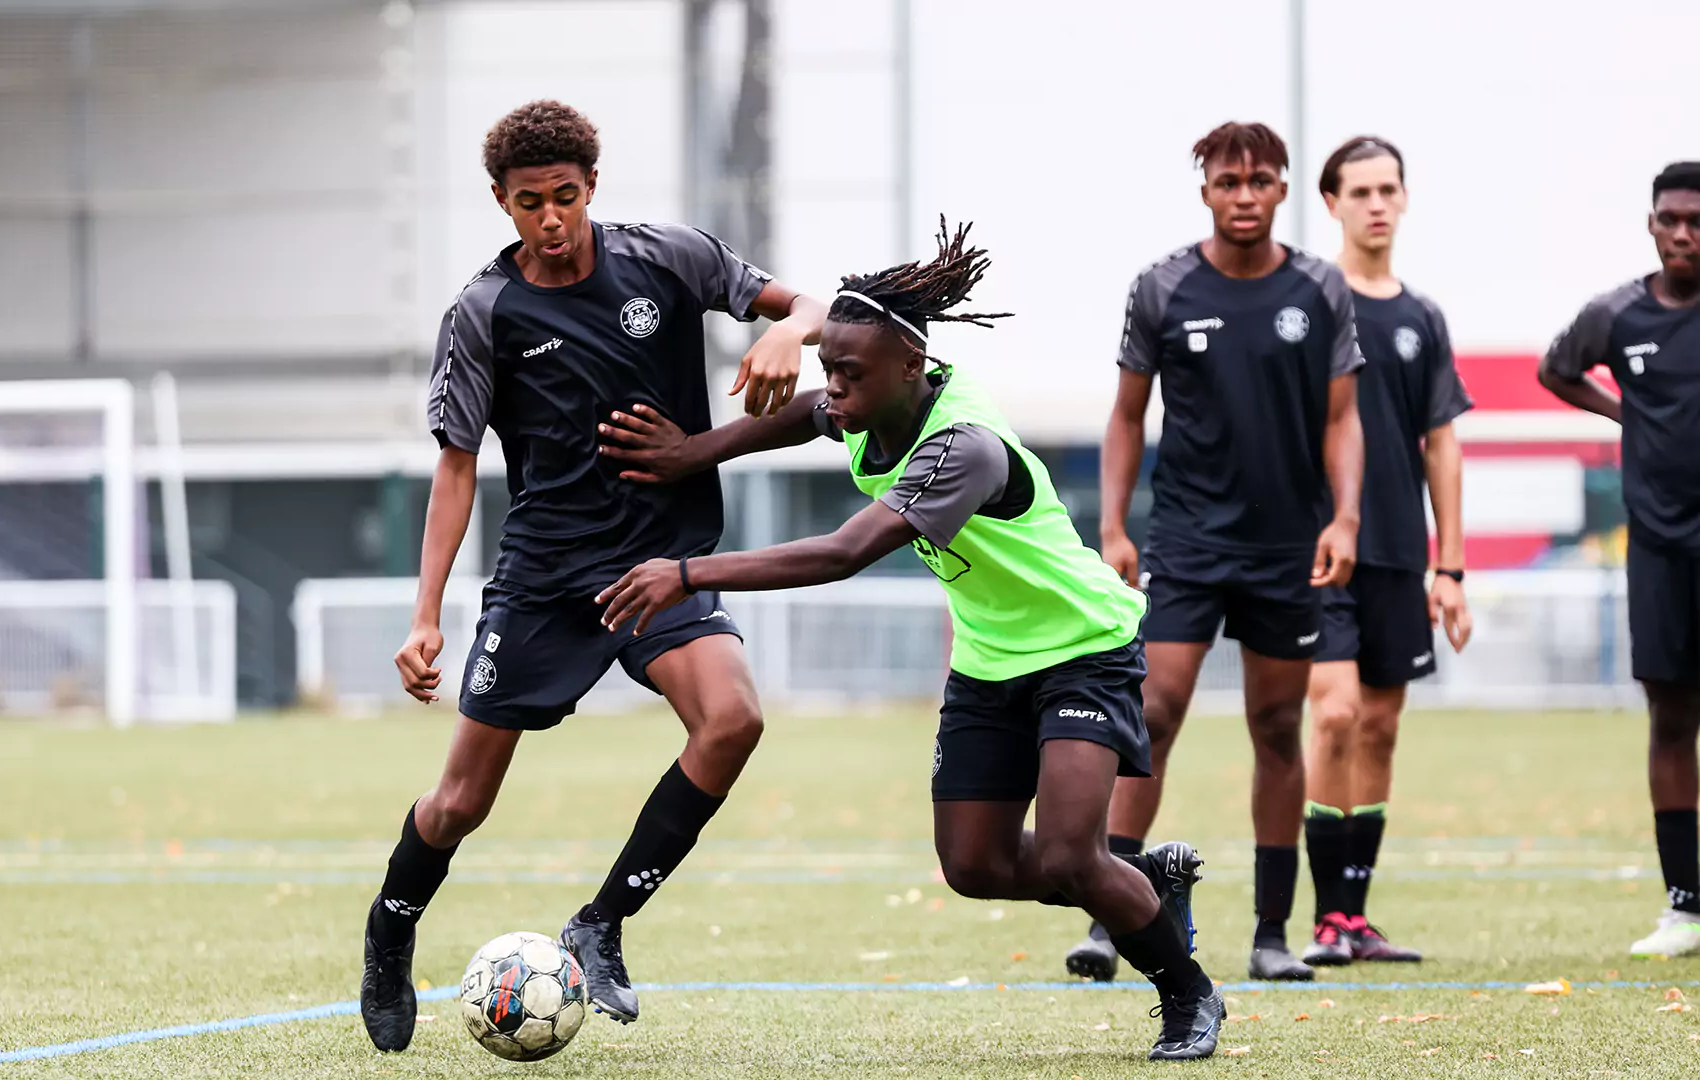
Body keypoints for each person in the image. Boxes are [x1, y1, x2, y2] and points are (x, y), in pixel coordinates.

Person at [593, 219, 1226, 1061]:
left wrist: (689, 571)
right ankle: (1146, 883)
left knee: (1075, 854)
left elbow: (843, 551)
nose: (835, 388)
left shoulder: (962, 447)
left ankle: (1188, 994)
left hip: (1083, 649)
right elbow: (806, 415)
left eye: (851, 373)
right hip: (989, 660)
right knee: (973, 865)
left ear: (912, 369)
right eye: (831, 368)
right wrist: (689, 455)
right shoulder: (869, 401)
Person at [359, 99, 830, 1052]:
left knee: (733, 718)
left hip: (657, 562)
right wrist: (424, 617)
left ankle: (602, 923)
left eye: (566, 197)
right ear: (502, 201)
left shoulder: (668, 258)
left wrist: (792, 330)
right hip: (543, 574)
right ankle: (389, 932)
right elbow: (456, 469)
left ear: (593, 187)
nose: (551, 219)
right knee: (459, 802)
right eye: (529, 202)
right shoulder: (484, 312)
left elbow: (813, 307)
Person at [1077, 121, 1366, 984]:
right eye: (1228, 181)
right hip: (1188, 542)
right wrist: (1116, 527)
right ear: (1205, 189)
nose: (1245, 195)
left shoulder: (1319, 289)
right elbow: (1127, 416)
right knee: (1153, 714)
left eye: (1262, 180)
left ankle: (1271, 935)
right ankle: (1108, 917)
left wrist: (1345, 518)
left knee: (1278, 727)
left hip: (1286, 548)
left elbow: (1342, 418)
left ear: (1283, 190)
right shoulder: (1162, 287)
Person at [1298, 135, 1475, 967]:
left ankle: (1354, 920)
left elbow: (1442, 444)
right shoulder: (1304, 300)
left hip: (1403, 552)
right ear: (1330, 202)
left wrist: (1452, 568)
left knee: (1379, 728)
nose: (1375, 203)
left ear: (1404, 200)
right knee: (1332, 713)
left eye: (1387, 189)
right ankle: (1323, 917)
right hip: (1318, 545)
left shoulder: (1422, 317)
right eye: (1358, 191)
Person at [1539, 161, 1700, 959]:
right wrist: (1624, 409)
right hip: (1662, 549)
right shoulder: (1617, 314)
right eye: (1670, 219)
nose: (1682, 233)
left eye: (1696, 221)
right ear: (1650, 223)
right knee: (1671, 718)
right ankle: (1686, 905)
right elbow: (1555, 369)